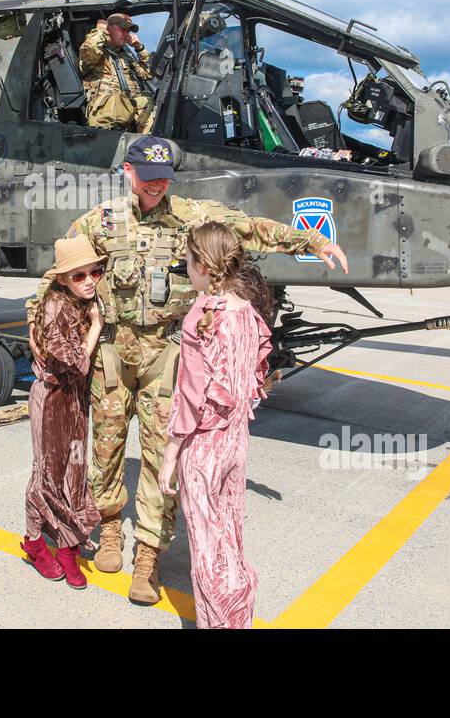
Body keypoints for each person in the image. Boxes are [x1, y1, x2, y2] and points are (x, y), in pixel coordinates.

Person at [26, 134, 348, 605]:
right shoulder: (100, 222)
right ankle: (110, 527)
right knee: (107, 448)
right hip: (112, 353)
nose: (157, 186)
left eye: (164, 180)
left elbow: (250, 228)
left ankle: (148, 555)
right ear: (128, 173)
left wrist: (311, 239)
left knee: (160, 458)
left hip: (165, 353)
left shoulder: (193, 217)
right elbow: (61, 269)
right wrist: (37, 317)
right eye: (148, 178)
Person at [160, 222, 274, 628]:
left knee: (207, 549)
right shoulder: (248, 313)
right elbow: (259, 365)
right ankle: (240, 615)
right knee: (231, 537)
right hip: (236, 441)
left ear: (203, 266)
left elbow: (190, 396)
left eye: (188, 262)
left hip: (205, 446)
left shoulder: (202, 316)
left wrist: (170, 454)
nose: (186, 270)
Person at [20, 236, 105, 589]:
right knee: (48, 475)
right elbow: (75, 361)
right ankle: (37, 542)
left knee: (75, 470)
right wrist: (97, 326)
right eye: (78, 276)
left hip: (73, 401)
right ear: (61, 279)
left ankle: (68, 545)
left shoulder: (82, 298)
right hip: (52, 399)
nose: (89, 281)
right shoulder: (56, 307)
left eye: (94, 272)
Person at [79, 12, 155, 133]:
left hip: (130, 116)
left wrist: (139, 48)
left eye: (128, 31)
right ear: (109, 28)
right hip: (107, 119)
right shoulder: (98, 55)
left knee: (147, 102)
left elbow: (149, 74)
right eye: (122, 29)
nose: (126, 34)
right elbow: (90, 49)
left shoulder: (125, 57)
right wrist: (100, 31)